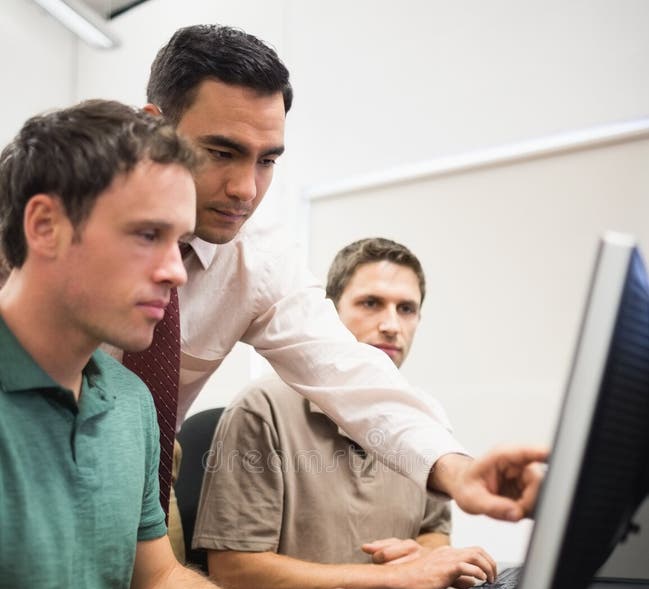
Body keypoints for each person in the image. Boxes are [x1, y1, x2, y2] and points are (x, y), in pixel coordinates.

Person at [0, 100, 414, 589]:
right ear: (45, 226)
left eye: (178, 238)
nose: (174, 270)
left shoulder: (131, 403)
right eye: (146, 235)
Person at [135, 23, 545, 524]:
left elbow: (349, 373)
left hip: (144, 480)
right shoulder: (67, 218)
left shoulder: (258, 258)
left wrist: (459, 471)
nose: (245, 189)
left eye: (266, 161)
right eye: (221, 153)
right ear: (154, 128)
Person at [194, 237, 497, 589]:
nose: (390, 324)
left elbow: (434, 531)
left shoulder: (423, 422)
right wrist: (389, 579)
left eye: (406, 309)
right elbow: (234, 572)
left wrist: (426, 556)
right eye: (371, 303)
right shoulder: (262, 410)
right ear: (331, 313)